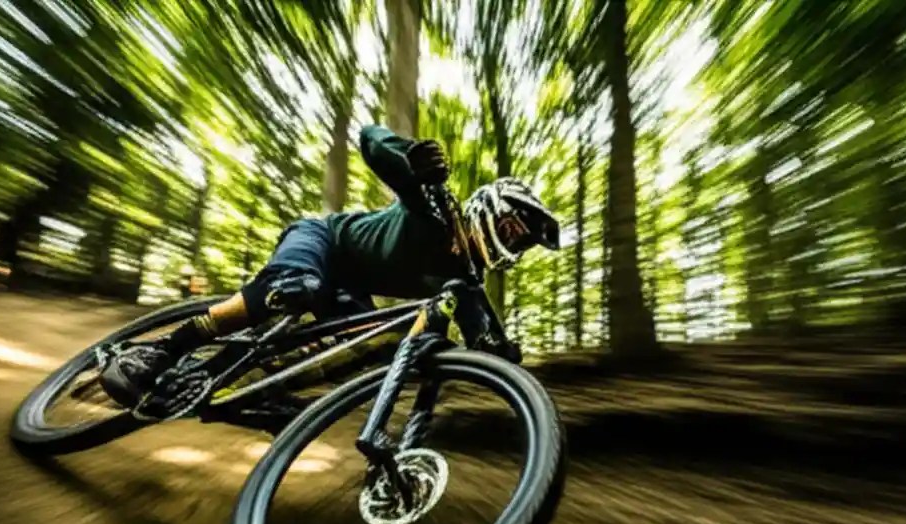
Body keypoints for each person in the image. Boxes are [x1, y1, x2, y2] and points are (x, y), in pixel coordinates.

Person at [99, 124, 561, 410]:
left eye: (520, 242)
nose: (512, 243)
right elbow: (371, 139)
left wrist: (502, 356)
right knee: (295, 288)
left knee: (376, 346)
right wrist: (410, 157)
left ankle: (260, 385)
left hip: (347, 288)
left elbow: (484, 344)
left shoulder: (466, 283)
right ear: (488, 207)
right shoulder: (436, 207)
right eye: (512, 229)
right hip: (321, 240)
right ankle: (161, 350)